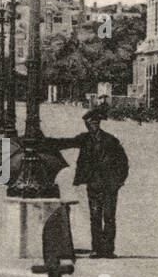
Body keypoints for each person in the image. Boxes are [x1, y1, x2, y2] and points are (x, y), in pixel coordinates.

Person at [45, 105, 129, 258]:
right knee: (95, 217)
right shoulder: (85, 139)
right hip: (94, 185)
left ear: (98, 123)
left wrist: (119, 181)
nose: (92, 126)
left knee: (109, 217)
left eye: (94, 123)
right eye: (89, 124)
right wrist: (45, 142)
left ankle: (109, 250)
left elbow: (123, 162)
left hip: (110, 186)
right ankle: (97, 249)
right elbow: (66, 142)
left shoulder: (110, 140)